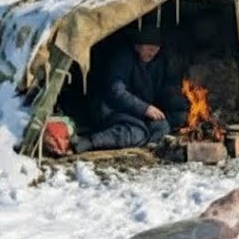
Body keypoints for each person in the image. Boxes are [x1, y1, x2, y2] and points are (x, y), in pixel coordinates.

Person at [71, 24, 190, 153]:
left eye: (156, 49)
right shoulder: (122, 58)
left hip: (136, 113)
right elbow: (116, 92)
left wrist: (178, 103)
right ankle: (89, 141)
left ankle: (148, 146)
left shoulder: (156, 63)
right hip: (111, 110)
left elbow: (161, 91)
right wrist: (145, 108)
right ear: (137, 46)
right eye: (149, 48)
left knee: (162, 126)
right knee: (137, 133)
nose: (152, 53)